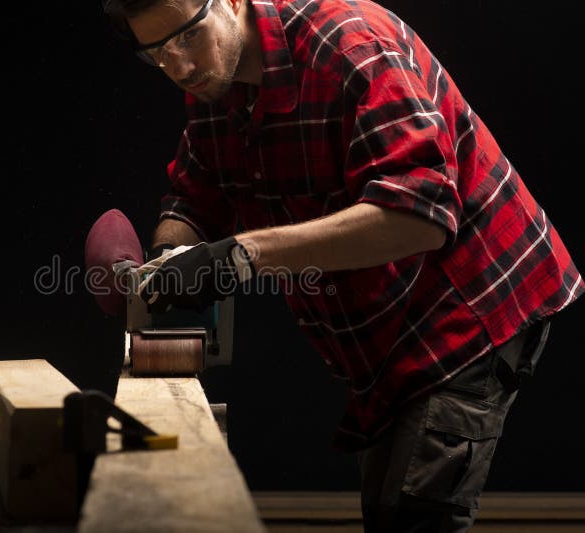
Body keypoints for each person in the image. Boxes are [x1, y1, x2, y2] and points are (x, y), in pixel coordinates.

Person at [102, 0, 584, 530]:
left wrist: (243, 256)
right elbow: (197, 198)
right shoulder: (214, 86)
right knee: (385, 507)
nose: (180, 68)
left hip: (472, 297)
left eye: (188, 38)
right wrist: (171, 259)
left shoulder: (352, 47)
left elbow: (418, 217)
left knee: (412, 515)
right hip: (386, 330)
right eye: (157, 54)